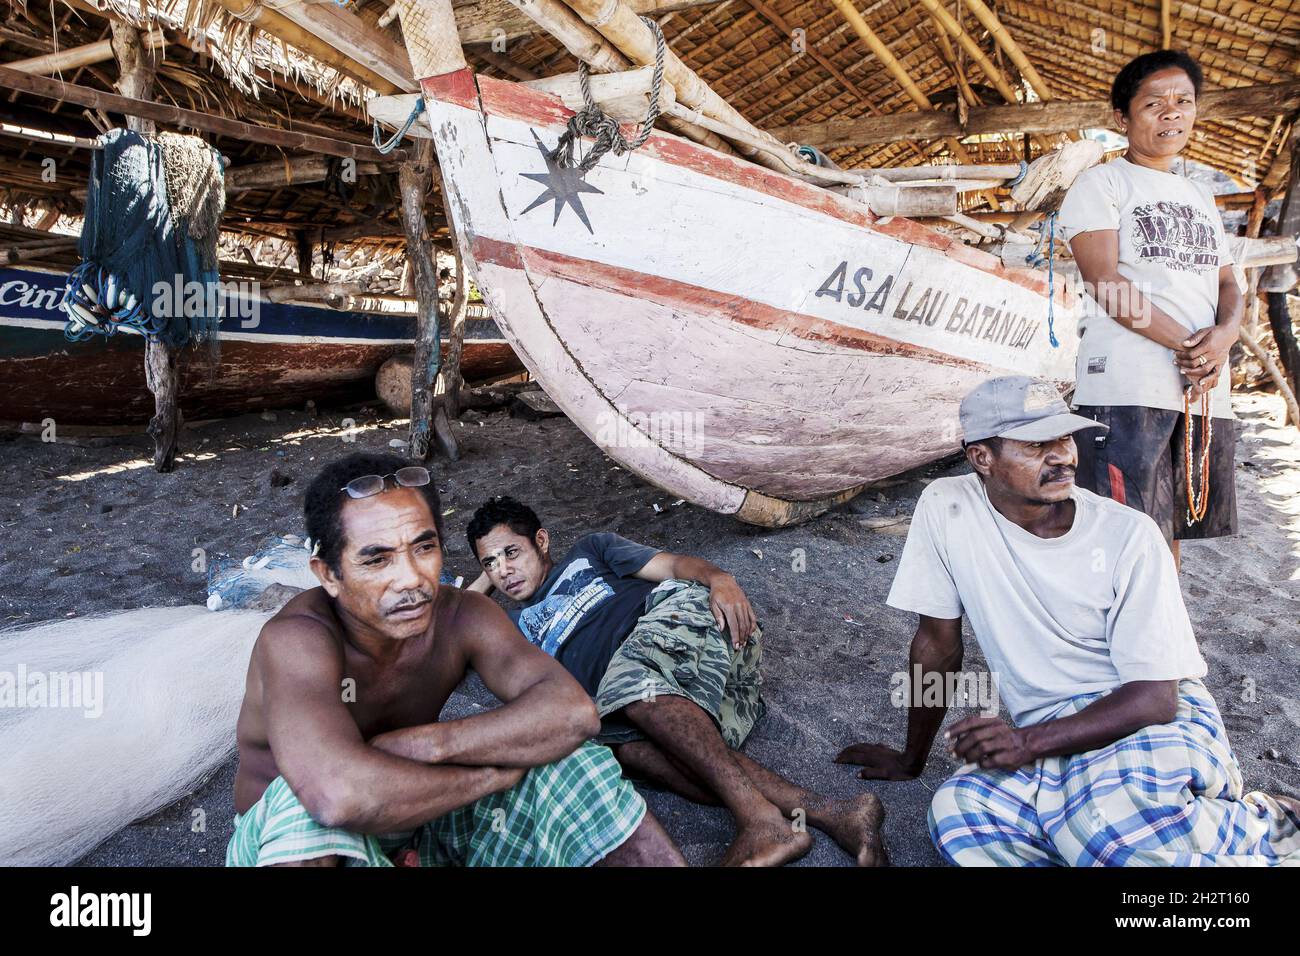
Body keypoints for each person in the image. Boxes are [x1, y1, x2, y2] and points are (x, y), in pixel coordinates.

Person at [837, 376, 1300, 866]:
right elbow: (936, 645)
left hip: (1142, 714)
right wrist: (912, 760)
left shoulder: (1130, 536)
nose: (1063, 455)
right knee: (961, 817)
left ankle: (1269, 830)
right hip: (1051, 732)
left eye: (1064, 437)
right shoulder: (946, 507)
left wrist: (1024, 742)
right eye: (1038, 444)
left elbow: (1155, 697)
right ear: (981, 458)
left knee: (1107, 827)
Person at [226, 452, 683, 867]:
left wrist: (428, 745)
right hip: (295, 844)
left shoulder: (461, 615)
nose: (410, 579)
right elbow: (336, 795)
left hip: (420, 814)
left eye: (423, 548)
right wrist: (485, 779)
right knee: (303, 808)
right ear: (328, 574)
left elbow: (572, 713)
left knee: (569, 757)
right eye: (377, 560)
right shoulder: (298, 639)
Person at [466, 496, 886, 866]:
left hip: (679, 625)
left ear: (542, 541)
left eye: (512, 553)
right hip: (662, 699)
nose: (505, 571)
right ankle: (840, 813)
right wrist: (487, 568)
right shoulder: (512, 627)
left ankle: (761, 823)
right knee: (634, 752)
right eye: (490, 563)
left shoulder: (590, 551)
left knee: (635, 689)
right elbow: (452, 612)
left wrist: (719, 577)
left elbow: (674, 565)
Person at [1059, 49, 1243, 570]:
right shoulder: (1103, 183)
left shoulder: (1200, 196)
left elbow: (1228, 281)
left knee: (1170, 533)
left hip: (1198, 391)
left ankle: (1160, 645)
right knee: (1122, 535)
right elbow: (1106, 284)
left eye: (1184, 101)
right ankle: (1112, 645)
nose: (1171, 113)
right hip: (1126, 388)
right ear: (1122, 118)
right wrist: (1192, 346)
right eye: (1154, 103)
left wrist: (1225, 336)